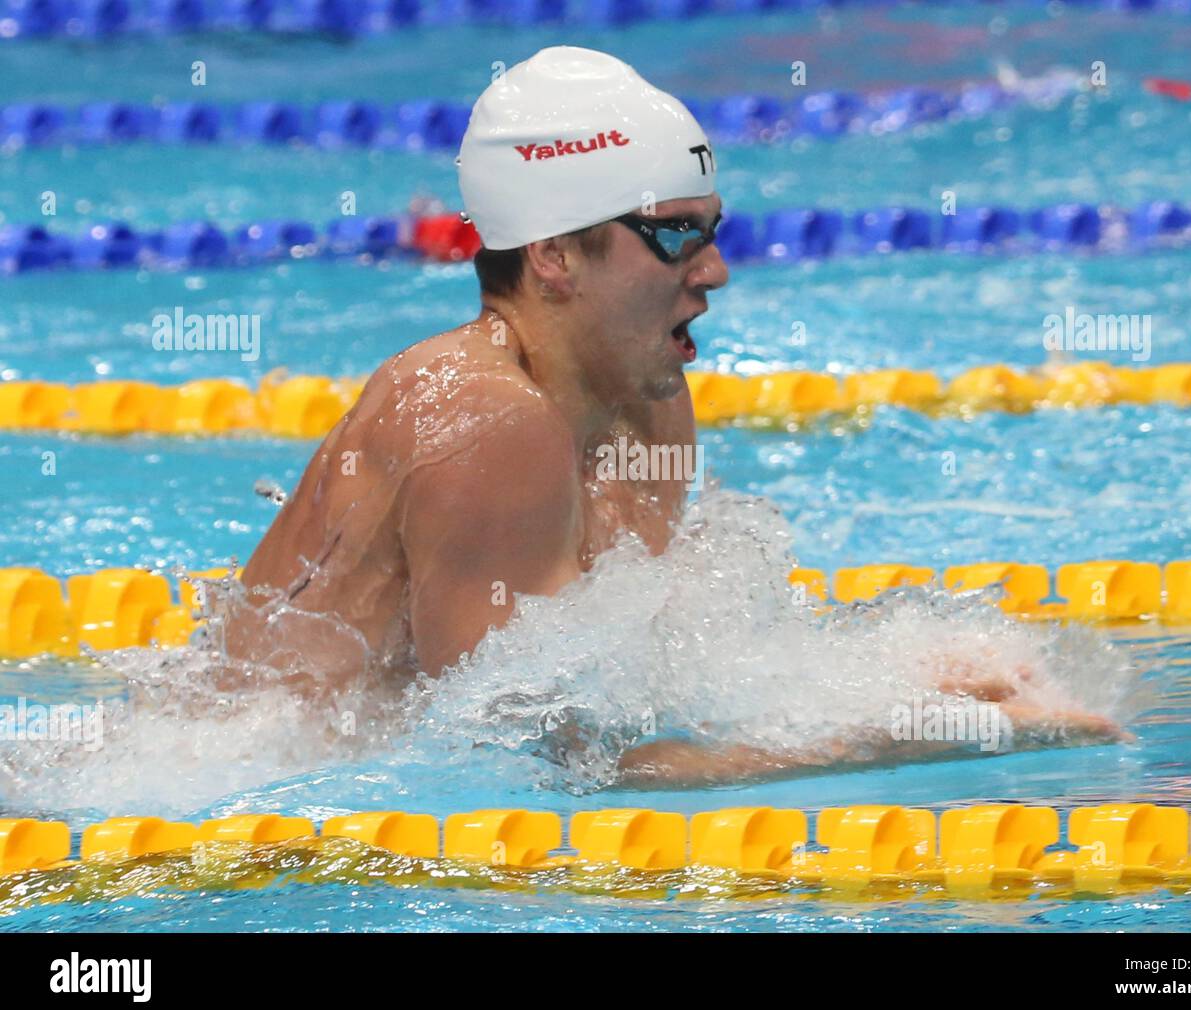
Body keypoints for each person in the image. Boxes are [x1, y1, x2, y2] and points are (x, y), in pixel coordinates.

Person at [221, 46, 1127, 785]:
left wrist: (905, 677)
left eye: (713, 228)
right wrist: (919, 734)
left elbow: (629, 683)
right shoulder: (484, 422)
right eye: (675, 234)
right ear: (553, 256)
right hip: (247, 810)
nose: (715, 269)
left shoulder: (642, 405)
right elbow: (532, 771)